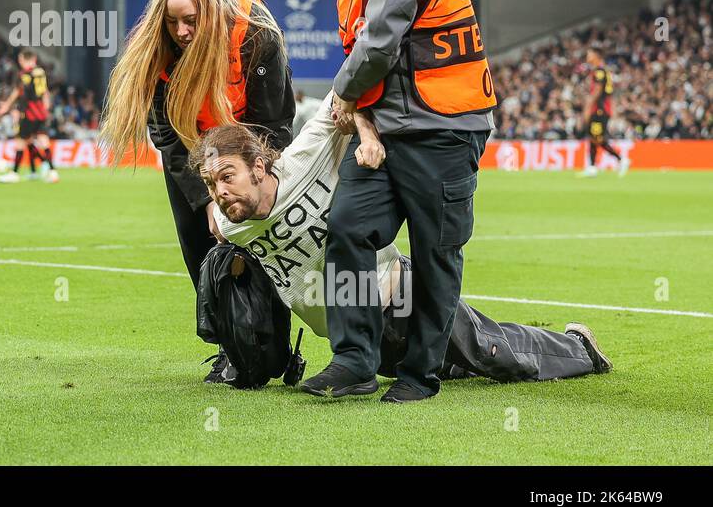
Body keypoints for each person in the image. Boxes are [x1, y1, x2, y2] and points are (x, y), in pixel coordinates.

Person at [191, 116, 612, 390]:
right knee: (460, 367)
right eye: (212, 186)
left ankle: (579, 348)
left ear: (259, 167)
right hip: (366, 340)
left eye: (227, 177)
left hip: (399, 293)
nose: (221, 192)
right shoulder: (231, 224)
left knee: (493, 353)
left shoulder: (305, 157)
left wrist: (365, 132)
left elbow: (346, 92)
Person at [310, 0, 498, 403]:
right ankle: (353, 362)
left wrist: (342, 95)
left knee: (435, 251)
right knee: (347, 226)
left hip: (443, 123)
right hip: (395, 123)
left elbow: (377, 43)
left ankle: (421, 373)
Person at [100, 0, 296, 383]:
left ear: (212, 13)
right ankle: (233, 350)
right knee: (201, 253)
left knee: (261, 250)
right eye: (173, 22)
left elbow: (277, 120)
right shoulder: (159, 49)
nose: (182, 32)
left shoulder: (257, 33)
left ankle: (275, 347)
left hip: (253, 155)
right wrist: (207, 197)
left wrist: (251, 179)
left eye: (191, 21)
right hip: (193, 159)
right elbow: (166, 135)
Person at [0, 50, 59, 184]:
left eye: (21, 60)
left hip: (29, 112)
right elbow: (44, 91)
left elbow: (19, 92)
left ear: (25, 60)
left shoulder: (25, 74)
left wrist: (8, 107)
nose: (20, 63)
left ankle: (14, 173)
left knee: (20, 141)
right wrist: (46, 104)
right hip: (41, 111)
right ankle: (51, 171)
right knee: (41, 140)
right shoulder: (41, 72)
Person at [580, 48, 628, 177]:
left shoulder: (599, 72)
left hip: (599, 109)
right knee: (593, 138)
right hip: (601, 109)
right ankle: (592, 167)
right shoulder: (602, 71)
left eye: (589, 54)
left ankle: (621, 159)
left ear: (596, 55)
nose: (587, 56)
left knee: (598, 139)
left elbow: (597, 91)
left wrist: (587, 107)